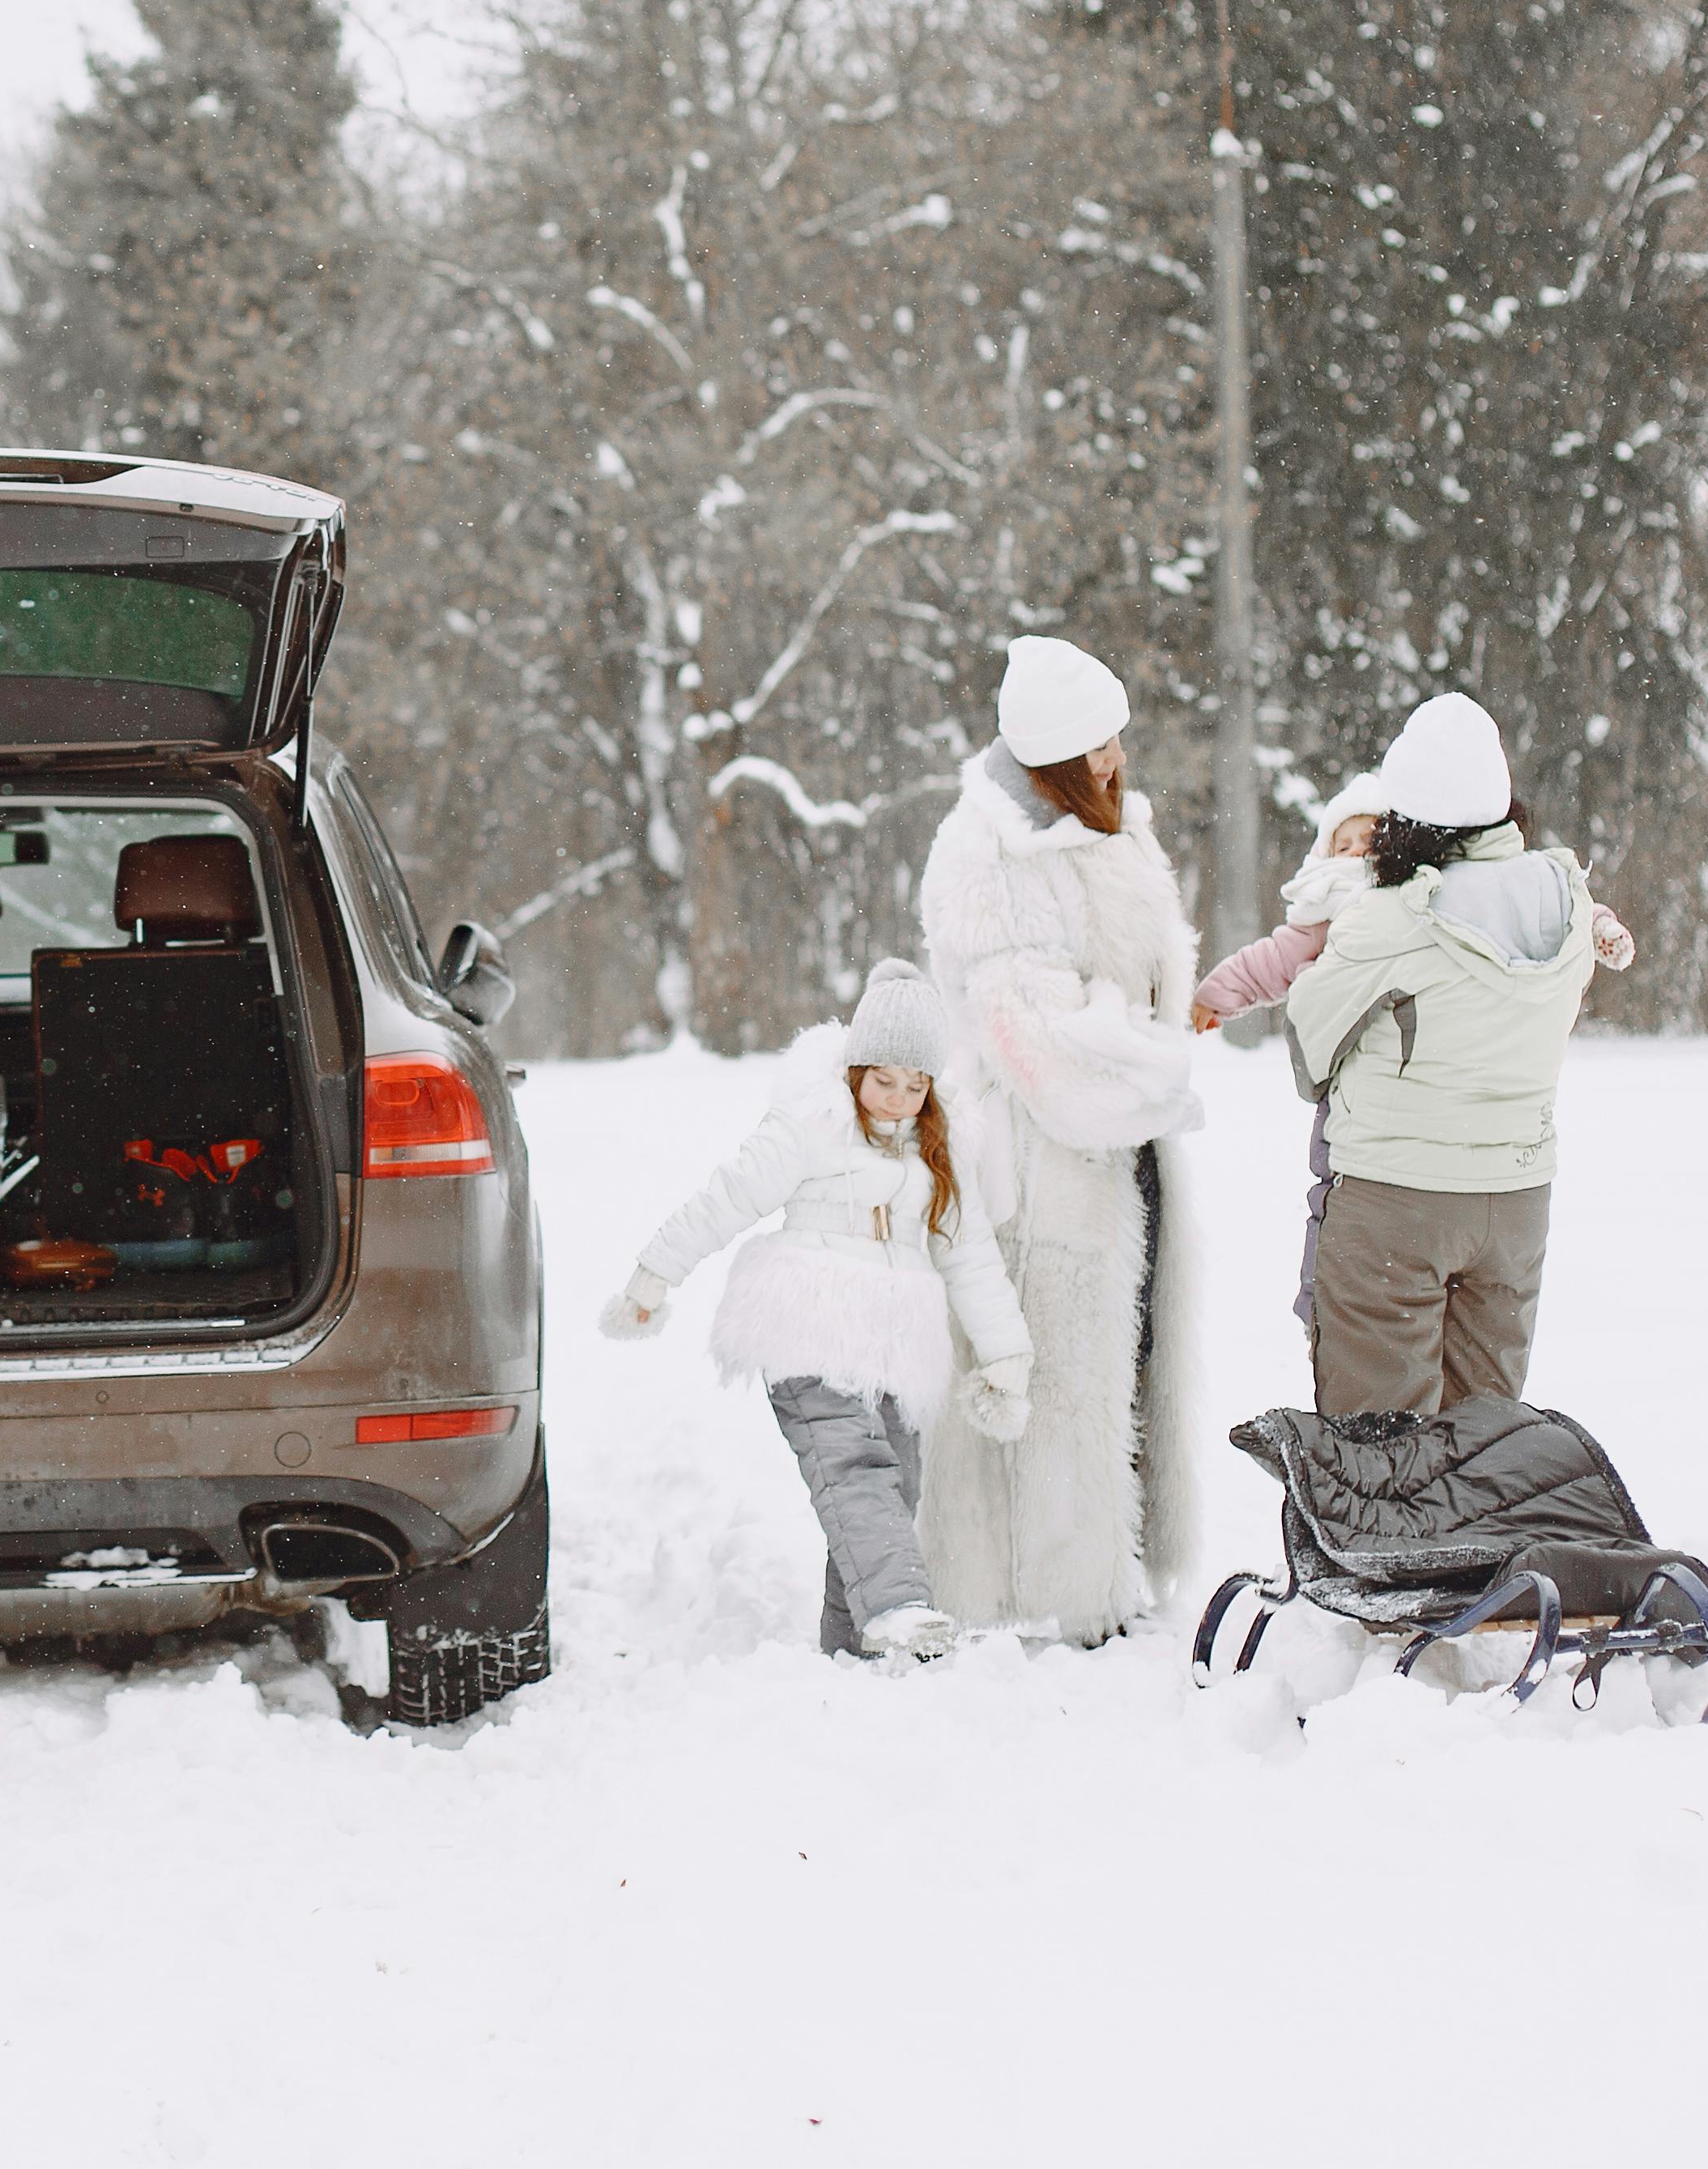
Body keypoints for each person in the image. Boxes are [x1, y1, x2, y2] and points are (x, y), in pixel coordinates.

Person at [598, 961, 1033, 1661]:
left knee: (894, 1488)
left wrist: (1007, 1359)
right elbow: (727, 1198)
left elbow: (971, 1258)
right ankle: (898, 1609)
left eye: (915, 1086)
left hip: (895, 1349)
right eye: (883, 1081)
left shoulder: (940, 1153)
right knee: (856, 1473)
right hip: (808, 1336)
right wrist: (653, 1278)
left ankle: (853, 1649)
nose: (897, 1100)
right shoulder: (812, 1123)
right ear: (856, 1069)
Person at [910, 636, 1208, 1646]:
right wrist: (1153, 1068)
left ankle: (1102, 1576)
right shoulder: (988, 853)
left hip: (1122, 1161)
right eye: (1107, 737)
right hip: (1040, 1176)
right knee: (1050, 1386)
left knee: (1117, 1371)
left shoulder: (1109, 825)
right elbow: (1040, 1050)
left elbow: (1131, 995)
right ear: (1062, 751)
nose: (1124, 753)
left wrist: (1139, 1045)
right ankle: (1058, 1598)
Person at [1198, 770, 1636, 1342]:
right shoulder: (1326, 907)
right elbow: (1268, 965)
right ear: (1325, 853)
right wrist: (1217, 995)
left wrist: (1599, 923)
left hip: (1410, 1092)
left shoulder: (1423, 897)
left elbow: (1560, 900)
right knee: (1331, 1188)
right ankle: (1320, 1306)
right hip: (1347, 1080)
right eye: (1343, 844)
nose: (1357, 854)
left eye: (1369, 839)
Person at [1278, 692, 1606, 1417]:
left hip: (1396, 1207)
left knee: (1381, 1449)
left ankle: (1388, 1538)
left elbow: (1309, 1051)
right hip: (1518, 1203)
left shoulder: (1388, 918)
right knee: (1482, 1441)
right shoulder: (1570, 901)